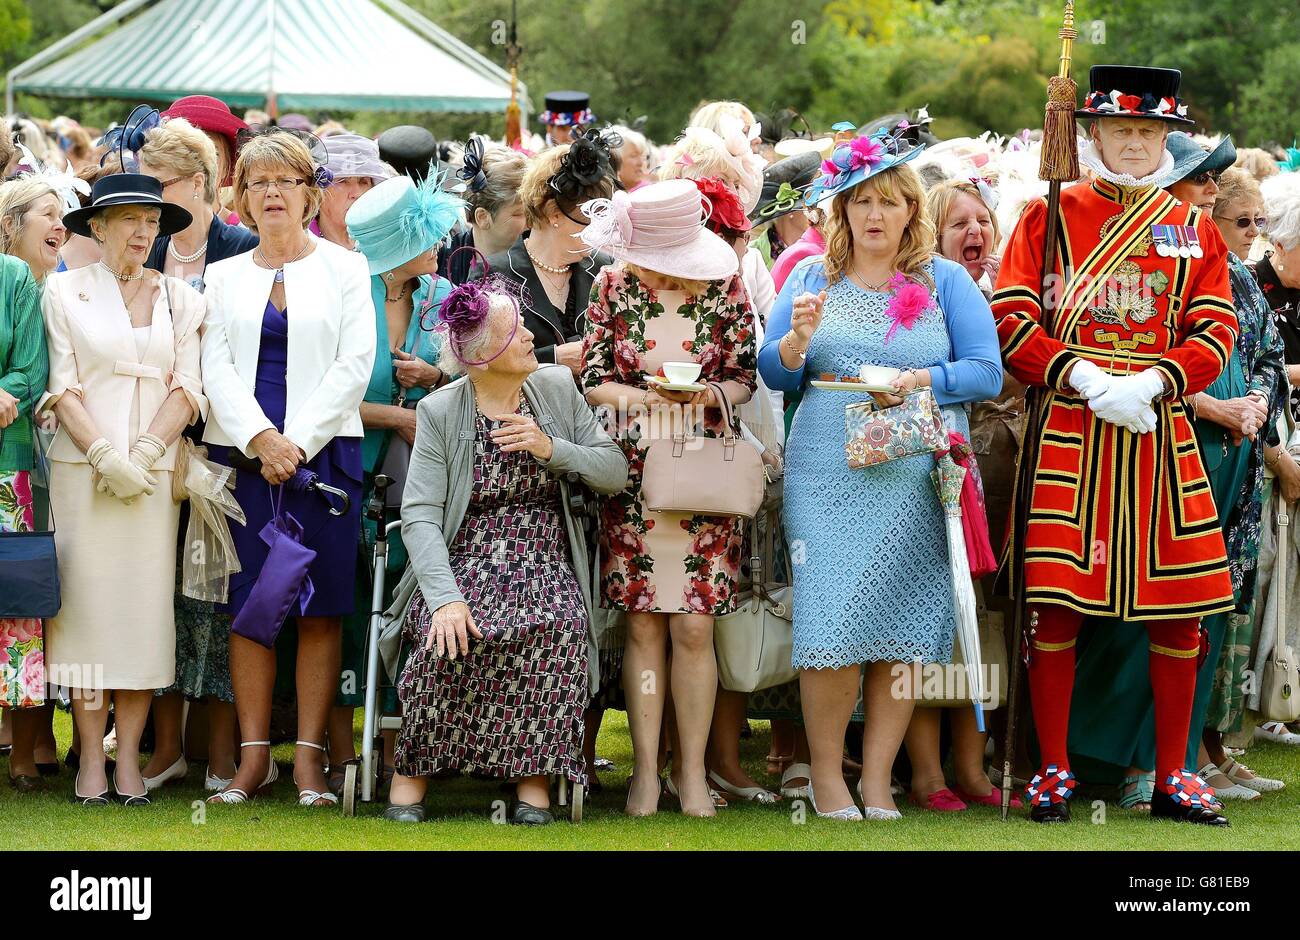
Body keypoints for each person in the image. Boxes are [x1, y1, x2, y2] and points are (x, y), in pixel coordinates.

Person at [992, 66, 1239, 825]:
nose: (1135, 145)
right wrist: (1083, 378)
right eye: (1122, 130)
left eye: (1150, 133)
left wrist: (1160, 381)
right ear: (1091, 133)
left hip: (1159, 431)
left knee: (1178, 608)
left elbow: (1215, 327)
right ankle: (1056, 769)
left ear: (1167, 140)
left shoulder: (1192, 226)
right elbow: (1011, 316)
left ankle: (1173, 773)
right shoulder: (1049, 215)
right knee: (1059, 607)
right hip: (1072, 426)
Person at [759, 126, 1001, 820]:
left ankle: (877, 781)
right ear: (839, 210)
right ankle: (830, 777)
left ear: (909, 212)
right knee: (829, 621)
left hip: (912, 466)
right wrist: (799, 342)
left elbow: (986, 371)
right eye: (860, 202)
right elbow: (772, 371)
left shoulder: (944, 280)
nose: (874, 215)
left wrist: (919, 375)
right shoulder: (809, 276)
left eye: (889, 202)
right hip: (826, 467)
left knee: (901, 622)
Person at [384, 277, 628, 824]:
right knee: (443, 630)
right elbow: (421, 515)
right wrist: (444, 597)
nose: (529, 337)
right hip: (462, 554)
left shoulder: (558, 390)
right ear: (481, 355)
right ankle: (412, 774)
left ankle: (532, 782)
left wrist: (552, 448)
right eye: (514, 329)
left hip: (542, 550)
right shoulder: (441, 412)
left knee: (555, 624)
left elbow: (613, 472)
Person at [201, 130, 374, 807]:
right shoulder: (220, 276)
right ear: (241, 198)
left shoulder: (346, 270)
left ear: (308, 194)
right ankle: (251, 764)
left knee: (320, 608)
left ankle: (307, 762)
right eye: (258, 183)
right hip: (243, 457)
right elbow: (213, 367)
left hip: (324, 458)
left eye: (285, 182)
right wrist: (260, 440)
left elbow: (353, 367)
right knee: (248, 607)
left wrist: (294, 442)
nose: (272, 193)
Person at [581, 178, 757, 817]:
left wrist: (703, 397)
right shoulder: (612, 287)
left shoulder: (727, 287)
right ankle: (645, 775)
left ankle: (690, 772)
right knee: (644, 625)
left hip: (704, 471)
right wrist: (649, 400)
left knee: (693, 624)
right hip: (634, 471)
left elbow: (743, 377)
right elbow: (594, 379)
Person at [41, 173, 206, 806]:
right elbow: (61, 383)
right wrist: (106, 454)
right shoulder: (64, 292)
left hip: (153, 479)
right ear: (99, 227)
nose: (142, 232)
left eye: (152, 221)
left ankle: (129, 761)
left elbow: (188, 388)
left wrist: (142, 453)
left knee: (142, 618)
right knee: (86, 620)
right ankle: (88, 759)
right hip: (84, 475)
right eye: (130, 219)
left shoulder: (183, 300)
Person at [326, 172, 463, 794]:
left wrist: (435, 377)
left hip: (423, 473)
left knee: (410, 594)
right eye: (427, 235)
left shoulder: (444, 293)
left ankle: (407, 743)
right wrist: (397, 416)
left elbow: (473, 379)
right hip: (345, 465)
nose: (440, 243)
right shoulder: (344, 296)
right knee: (347, 602)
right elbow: (318, 397)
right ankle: (340, 747)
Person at [134, 115, 259, 793]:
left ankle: (219, 748)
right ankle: (163, 747)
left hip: (224, 448)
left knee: (214, 595)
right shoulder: (141, 248)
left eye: (162, 182)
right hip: (152, 445)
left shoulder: (240, 247)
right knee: (157, 592)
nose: (150, 196)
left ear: (201, 180)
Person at [486, 131, 618, 375]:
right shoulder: (495, 274)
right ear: (553, 213)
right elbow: (481, 360)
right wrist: (553, 357)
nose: (598, 233)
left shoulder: (605, 268)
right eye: (588, 221)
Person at [1245, 170, 1300, 747]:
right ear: (1281, 243)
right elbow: (1254, 369)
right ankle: (1263, 695)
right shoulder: (1255, 289)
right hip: (1269, 440)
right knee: (1266, 570)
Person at [0, 192, 52, 791]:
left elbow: (33, 371)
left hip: (7, 464)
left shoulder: (14, 277)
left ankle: (20, 749)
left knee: (14, 604)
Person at [439, 139, 527, 285]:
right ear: (482, 217)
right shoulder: (442, 264)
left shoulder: (543, 261)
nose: (532, 221)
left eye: (532, 210)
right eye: (519, 213)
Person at [160, 95, 248, 224]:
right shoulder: (148, 232)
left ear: (227, 167)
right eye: (186, 153)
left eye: (213, 154)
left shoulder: (247, 239)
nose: (199, 166)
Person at [311, 133, 391, 248]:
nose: (356, 194)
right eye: (342, 181)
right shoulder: (299, 247)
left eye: (364, 181)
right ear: (318, 190)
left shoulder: (385, 242)